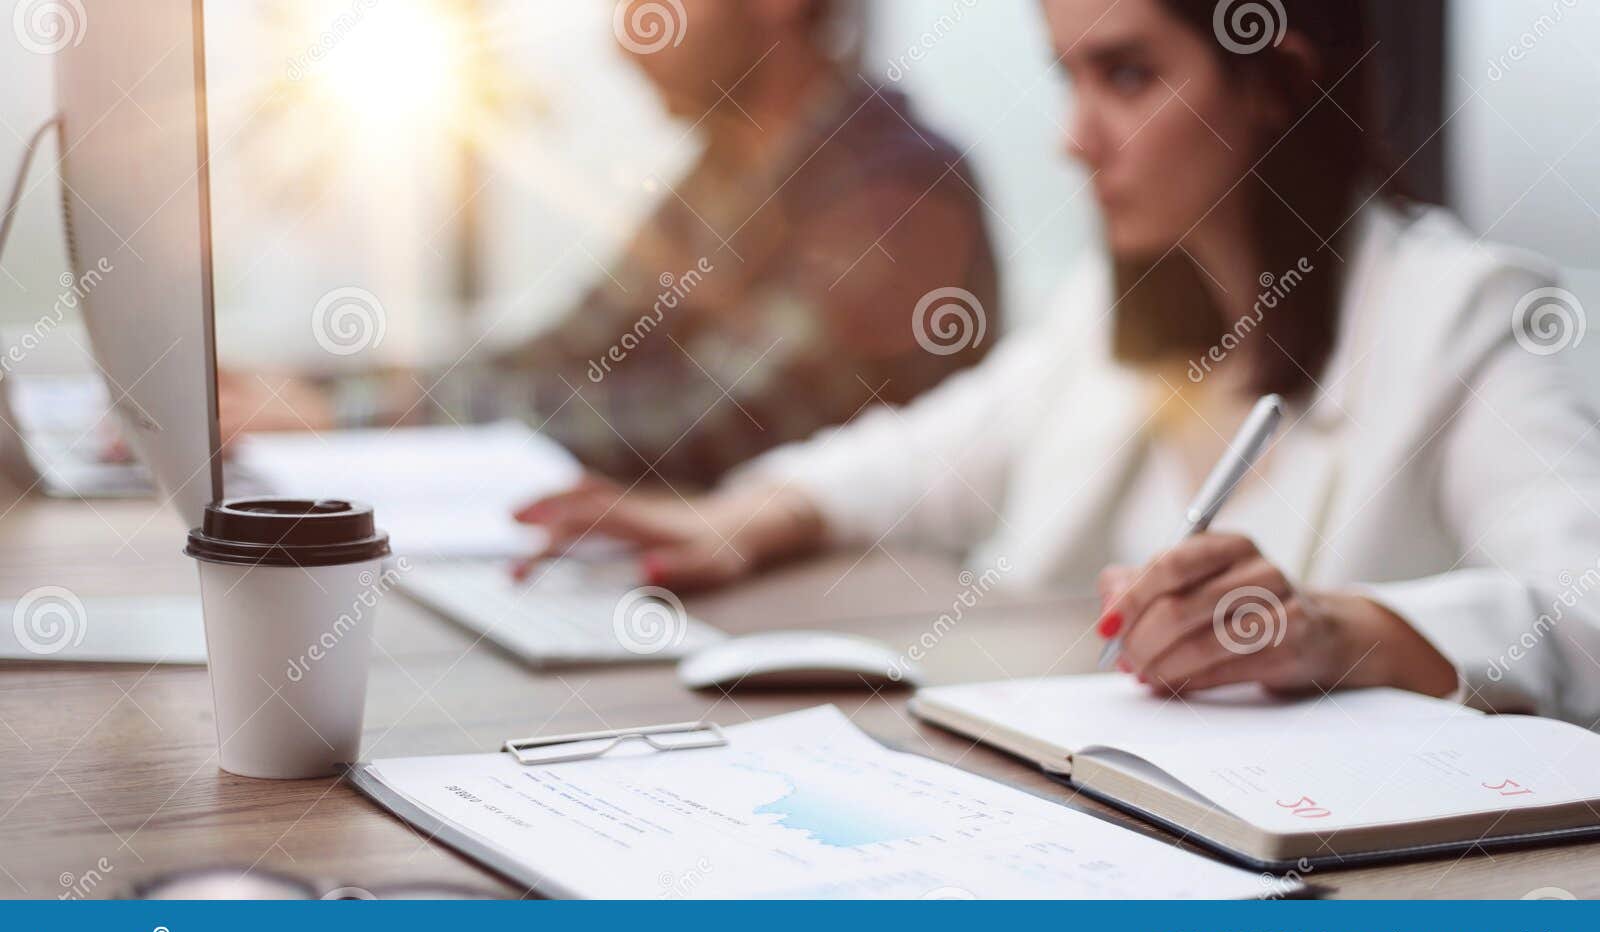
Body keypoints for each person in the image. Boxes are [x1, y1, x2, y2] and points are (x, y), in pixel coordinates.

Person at [513, 0, 1600, 725]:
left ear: (1275, 81)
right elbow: (923, 455)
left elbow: (1583, 615)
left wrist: (1338, 631)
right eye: (1065, 77)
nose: (1074, 138)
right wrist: (741, 517)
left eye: (1126, 76)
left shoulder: (1469, 317)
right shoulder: (1118, 318)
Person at [220, 0, 1000, 489]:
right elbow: (564, 347)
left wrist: (354, 419)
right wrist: (315, 384)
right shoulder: (724, 172)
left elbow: (702, 426)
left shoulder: (900, 191)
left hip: (856, 634)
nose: (626, 35)